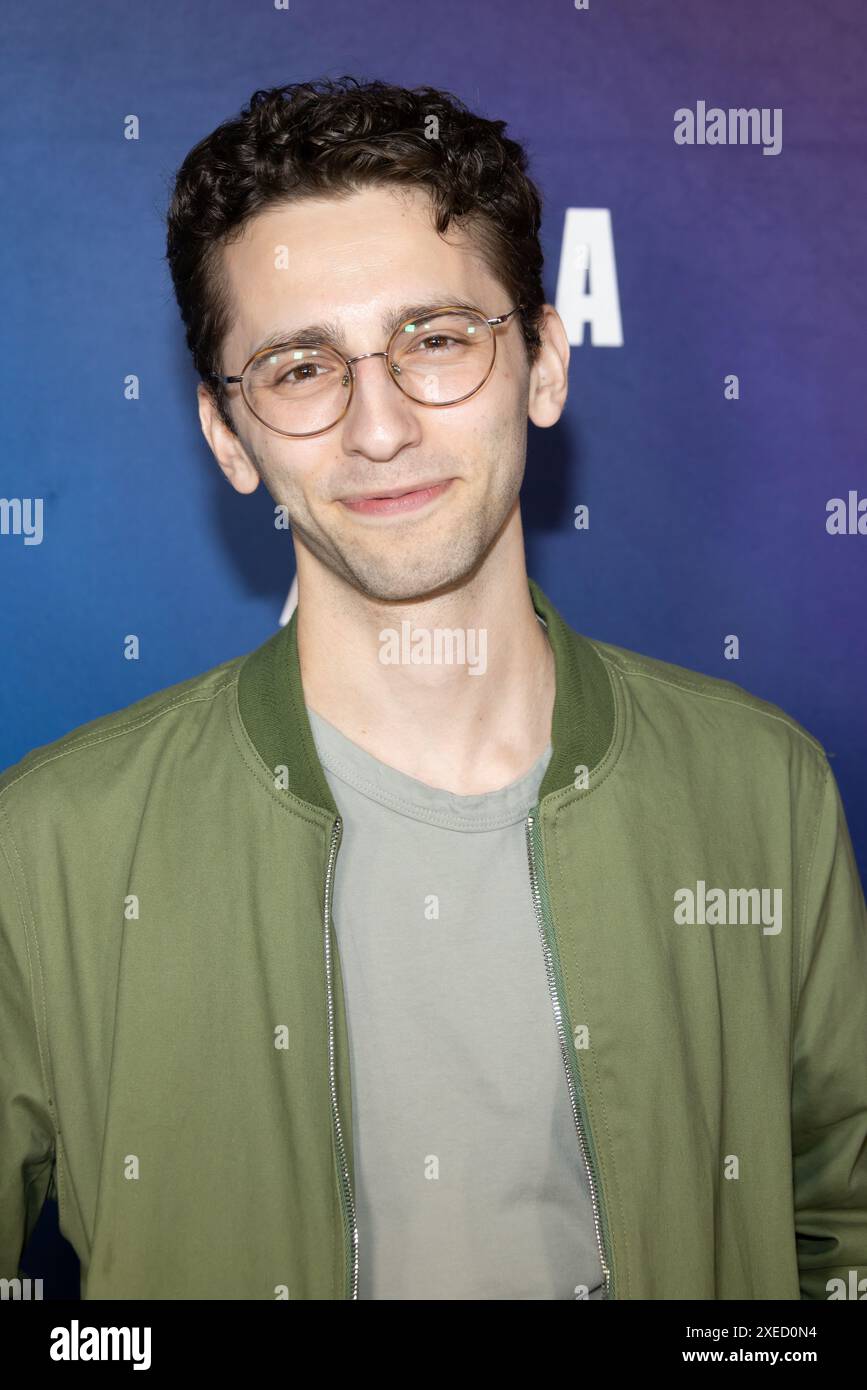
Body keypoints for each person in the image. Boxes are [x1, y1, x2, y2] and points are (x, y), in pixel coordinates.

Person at [1, 76, 865, 1302]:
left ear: (546, 366)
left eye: (436, 341)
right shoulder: (49, 847)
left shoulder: (762, 787)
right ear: (228, 437)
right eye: (301, 367)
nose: (381, 425)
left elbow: (844, 1226)